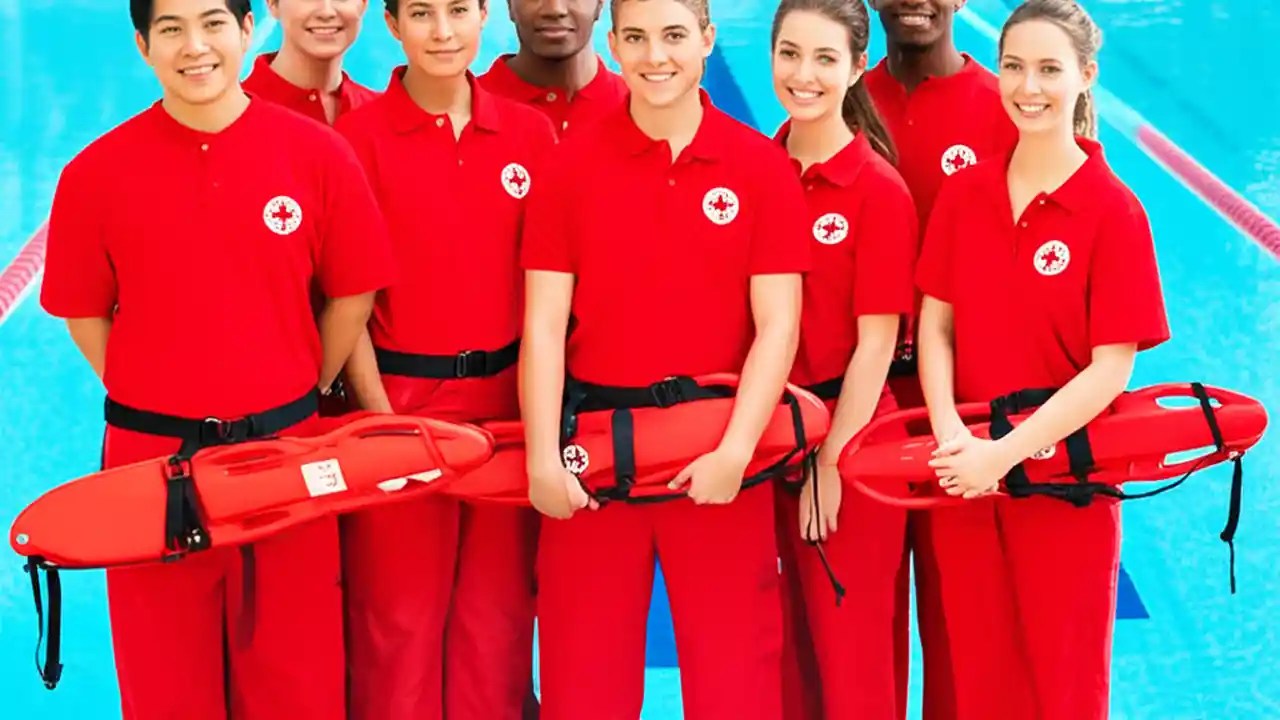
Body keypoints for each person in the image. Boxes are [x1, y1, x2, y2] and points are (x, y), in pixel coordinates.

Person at [39, 1, 393, 718]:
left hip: (286, 458)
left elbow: (352, 296)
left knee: (299, 683)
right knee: (167, 686)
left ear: (247, 31)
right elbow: (84, 316)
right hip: (151, 470)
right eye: (171, 29)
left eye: (213, 24)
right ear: (142, 46)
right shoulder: (96, 173)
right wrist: (156, 395)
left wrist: (297, 386)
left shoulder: (318, 155)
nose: (194, 47)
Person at [519, 0, 810, 717]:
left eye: (675, 36)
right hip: (595, 461)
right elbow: (546, 324)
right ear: (612, 43)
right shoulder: (572, 165)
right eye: (639, 38)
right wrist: (540, 460)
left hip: (715, 458)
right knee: (581, 683)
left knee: (735, 680)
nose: (657, 56)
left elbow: (778, 324)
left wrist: (737, 452)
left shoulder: (759, 166)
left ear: (707, 39)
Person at [915, 1, 1169, 718]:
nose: (1029, 87)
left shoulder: (1114, 212)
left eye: (1050, 69)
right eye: (1015, 67)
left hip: (1068, 488)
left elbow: (1109, 368)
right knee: (978, 683)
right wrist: (951, 435)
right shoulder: (966, 196)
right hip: (965, 475)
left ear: (1086, 77)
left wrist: (1004, 454)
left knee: (1065, 689)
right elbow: (936, 326)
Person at [333, 1, 556, 719]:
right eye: (421, 13)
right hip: (402, 406)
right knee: (397, 622)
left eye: (459, 10)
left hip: (507, 412)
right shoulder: (355, 139)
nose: (442, 31)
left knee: (495, 622)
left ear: (484, 16)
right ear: (392, 26)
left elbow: (553, 290)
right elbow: (346, 299)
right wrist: (378, 418)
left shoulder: (530, 133)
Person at [863, 2, 1020, 715]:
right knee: (862, 639)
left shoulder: (1014, 107)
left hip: (977, 415)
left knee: (972, 638)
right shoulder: (834, 98)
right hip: (865, 410)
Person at [769, 1, 918, 718]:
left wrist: (831, 467)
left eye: (825, 59)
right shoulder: (756, 169)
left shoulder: (878, 191)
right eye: (789, 54)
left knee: (853, 663)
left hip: (848, 446)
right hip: (768, 443)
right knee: (784, 662)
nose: (804, 75)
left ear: (859, 67)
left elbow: (877, 342)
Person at [480, 0, 627, 136]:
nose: (555, 9)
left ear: (600, 3)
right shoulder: (464, 109)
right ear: (510, 4)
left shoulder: (641, 109)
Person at [244, 0, 378, 124]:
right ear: (272, 3)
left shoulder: (384, 116)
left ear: (364, 3)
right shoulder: (234, 114)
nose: (326, 12)